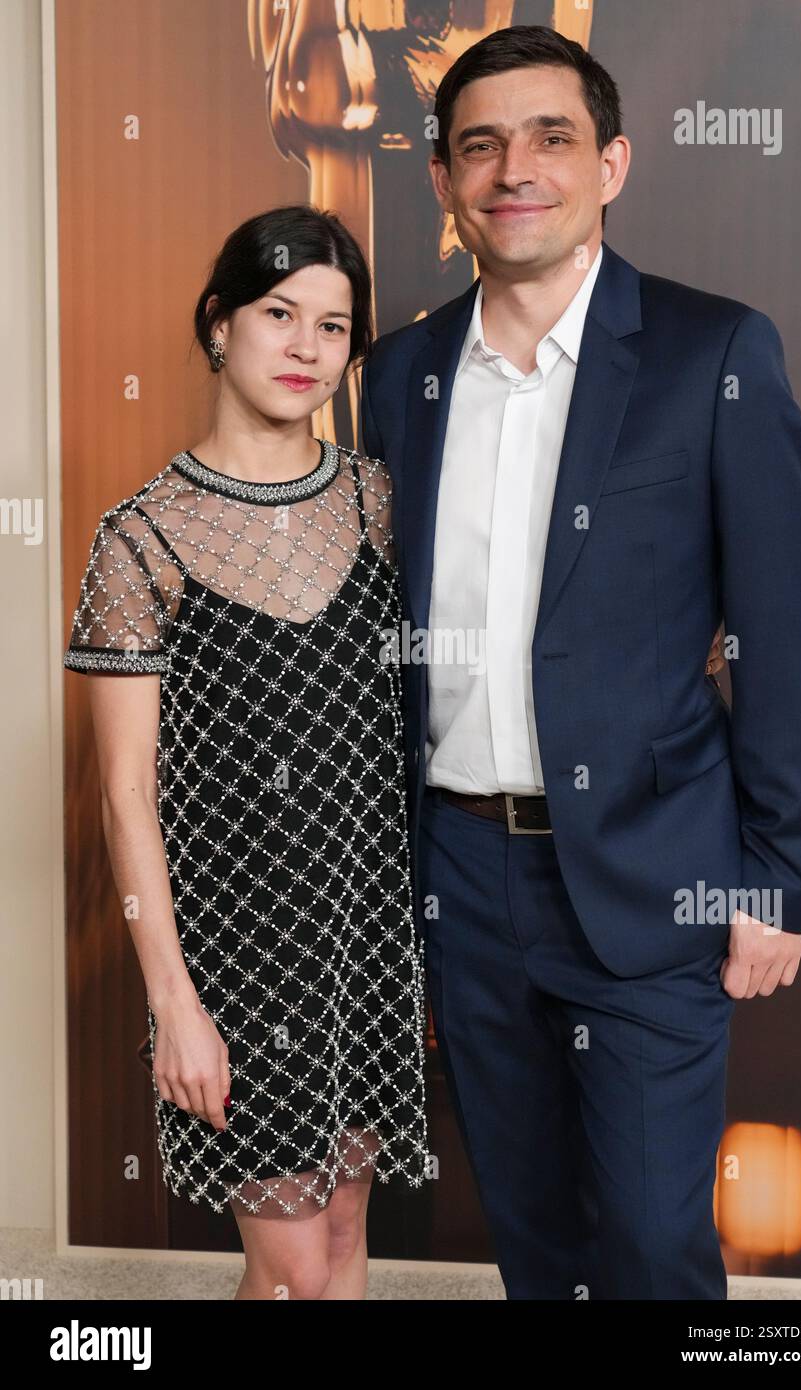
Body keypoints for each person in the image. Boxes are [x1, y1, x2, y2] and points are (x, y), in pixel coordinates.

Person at [360, 25, 801, 1299]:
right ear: (447, 180)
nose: (514, 168)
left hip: (649, 874)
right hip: (458, 881)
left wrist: (777, 871)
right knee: (531, 1240)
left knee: (645, 1249)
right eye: (480, 145)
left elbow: (788, 630)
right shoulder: (396, 377)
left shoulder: (712, 353)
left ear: (612, 164)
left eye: (550, 137)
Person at [63, 205, 428, 1301]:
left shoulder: (377, 504)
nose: (307, 348)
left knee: (346, 1230)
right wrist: (173, 1002)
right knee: (290, 1270)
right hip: (235, 951)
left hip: (366, 935)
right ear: (219, 323)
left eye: (332, 326)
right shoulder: (140, 538)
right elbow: (126, 795)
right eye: (280, 314)